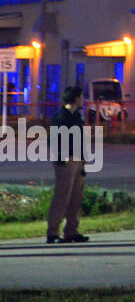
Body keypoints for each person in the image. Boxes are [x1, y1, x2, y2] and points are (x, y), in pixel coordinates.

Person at [47, 86, 90, 244]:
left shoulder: (77, 117)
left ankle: (71, 231)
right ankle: (52, 232)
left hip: (78, 160)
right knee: (62, 196)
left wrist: (84, 159)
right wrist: (60, 157)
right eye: (81, 96)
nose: (83, 99)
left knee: (76, 197)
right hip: (66, 161)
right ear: (75, 98)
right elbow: (54, 140)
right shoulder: (62, 117)